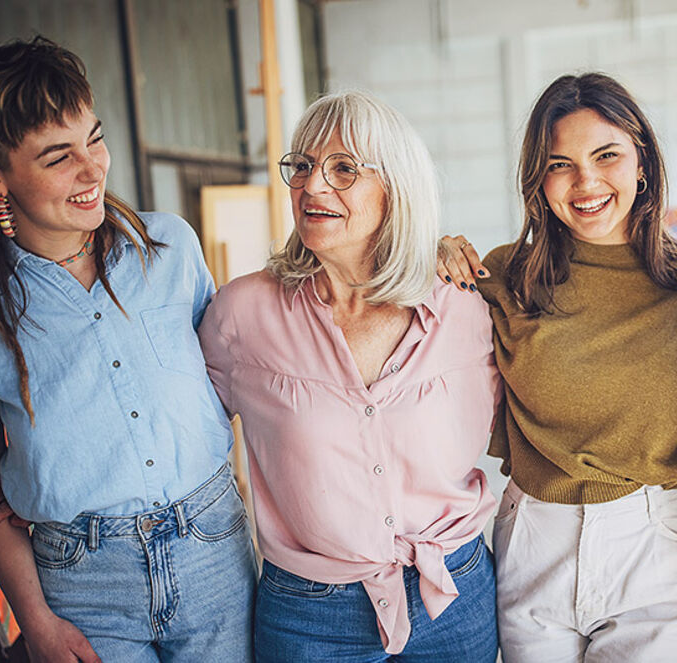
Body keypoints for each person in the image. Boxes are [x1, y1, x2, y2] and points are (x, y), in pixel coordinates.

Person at [0, 37, 256, 662]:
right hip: (82, 580)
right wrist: (37, 622)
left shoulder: (170, 249)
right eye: (58, 157)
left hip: (214, 547)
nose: (93, 168)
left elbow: (235, 381)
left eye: (94, 139)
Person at [439, 72, 677, 662]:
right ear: (539, 179)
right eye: (560, 164)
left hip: (660, 543)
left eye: (606, 155)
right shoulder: (506, 276)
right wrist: (429, 253)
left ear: (642, 163)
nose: (585, 183)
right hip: (534, 534)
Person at [197, 90, 500, 662]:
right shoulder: (242, 314)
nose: (312, 186)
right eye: (303, 166)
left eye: (343, 169)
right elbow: (181, 442)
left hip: (453, 594)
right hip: (310, 615)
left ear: (397, 188)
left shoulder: (466, 306)